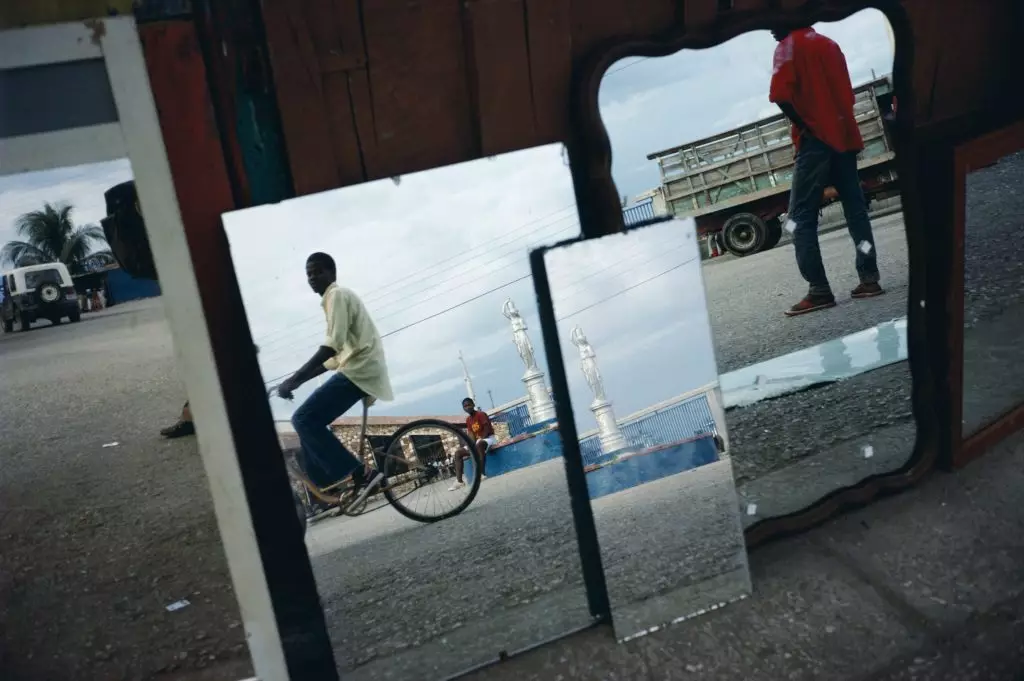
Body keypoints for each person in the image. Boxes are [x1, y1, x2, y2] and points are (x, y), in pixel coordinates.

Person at [769, 21, 885, 317]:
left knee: (798, 219)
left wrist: (806, 126)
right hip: (844, 136)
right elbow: (845, 94)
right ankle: (869, 279)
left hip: (816, 141)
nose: (770, 29)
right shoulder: (829, 44)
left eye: (772, 22)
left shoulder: (788, 47)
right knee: (855, 209)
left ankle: (819, 290)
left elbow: (781, 95)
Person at [277, 252, 393, 502]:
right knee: (308, 424)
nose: (313, 278)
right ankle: (330, 487)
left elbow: (332, 344)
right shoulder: (333, 301)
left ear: (332, 273)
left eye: (318, 272)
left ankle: (360, 473)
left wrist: (295, 379)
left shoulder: (337, 295)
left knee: (303, 419)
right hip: (358, 368)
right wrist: (295, 380)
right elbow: (332, 359)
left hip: (359, 370)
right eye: (309, 274)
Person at [449, 397, 496, 491]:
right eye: (465, 406)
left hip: (488, 439)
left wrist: (480, 439)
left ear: (473, 405)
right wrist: (471, 444)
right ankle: (459, 481)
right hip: (478, 442)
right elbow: (471, 434)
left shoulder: (481, 414)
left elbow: (487, 429)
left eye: (469, 405)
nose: (467, 407)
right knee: (458, 453)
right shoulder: (468, 420)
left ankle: (482, 474)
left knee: (479, 445)